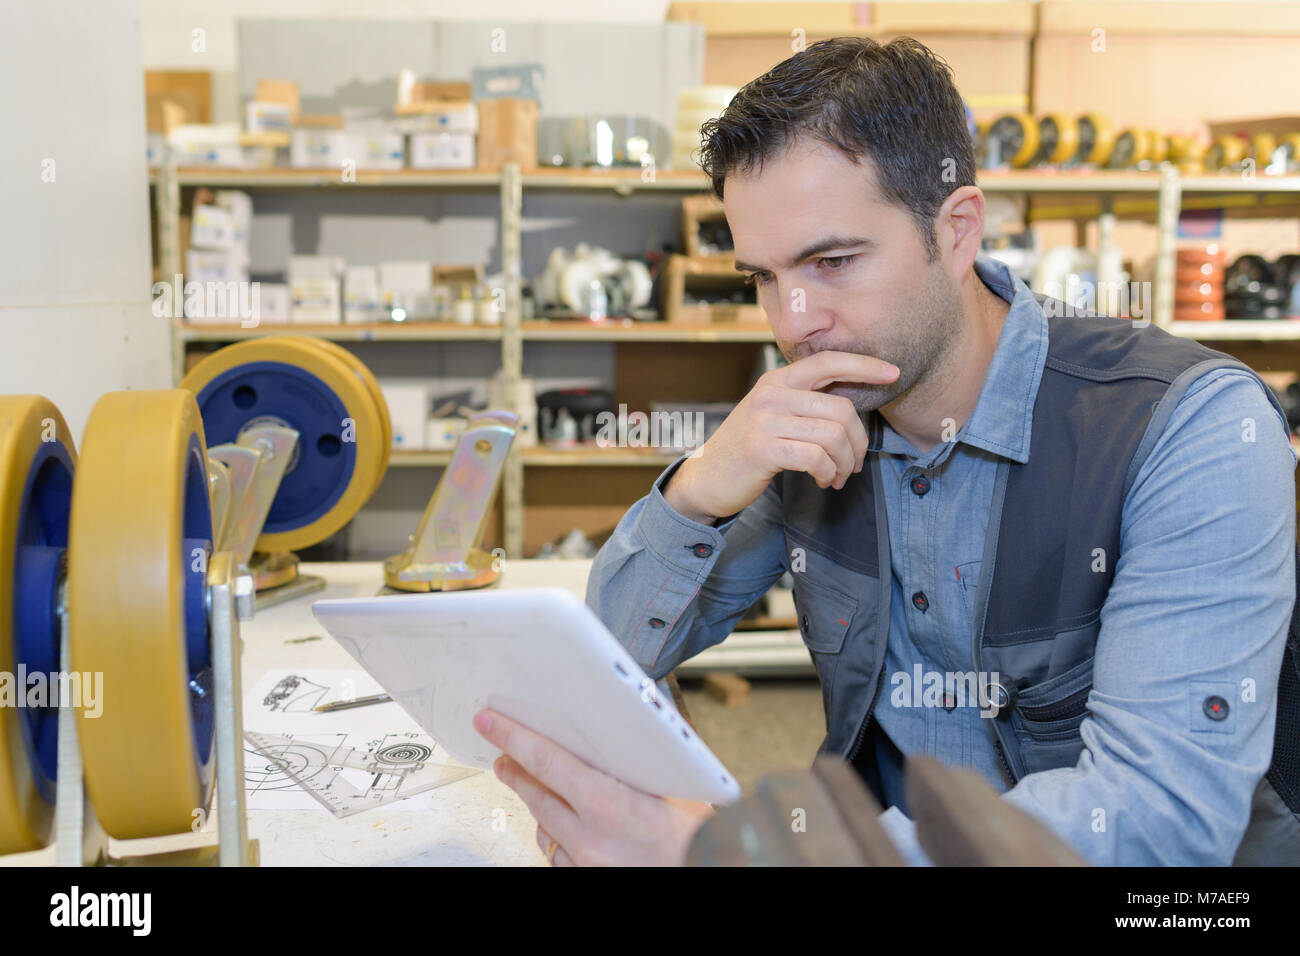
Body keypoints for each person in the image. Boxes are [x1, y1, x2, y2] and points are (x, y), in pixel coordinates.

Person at [475, 35, 1300, 866]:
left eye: (832, 261)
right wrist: (699, 488)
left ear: (957, 230)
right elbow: (606, 659)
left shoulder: (1186, 430)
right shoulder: (814, 418)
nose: (794, 321)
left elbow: (1156, 822)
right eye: (762, 277)